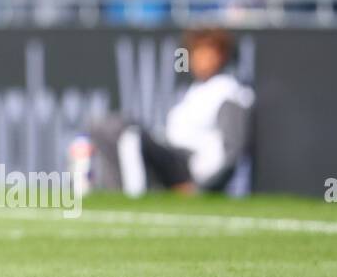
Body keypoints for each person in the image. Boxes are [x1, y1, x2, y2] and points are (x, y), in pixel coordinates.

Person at [87, 29, 254, 196]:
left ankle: (135, 199)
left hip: (193, 168)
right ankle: (118, 193)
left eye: (208, 54)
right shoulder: (196, 89)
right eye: (196, 53)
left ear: (222, 56)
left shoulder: (228, 91)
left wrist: (200, 188)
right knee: (106, 128)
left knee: (131, 136)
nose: (200, 60)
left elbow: (232, 152)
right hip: (174, 160)